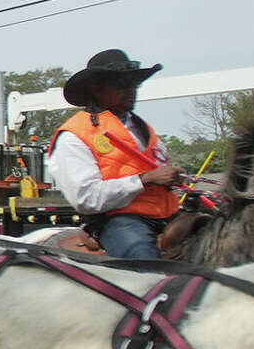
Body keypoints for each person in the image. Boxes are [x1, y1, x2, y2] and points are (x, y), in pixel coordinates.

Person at [47, 48, 184, 259]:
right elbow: (85, 198)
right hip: (121, 221)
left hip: (171, 215)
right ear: (96, 89)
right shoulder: (74, 135)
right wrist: (145, 179)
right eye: (122, 85)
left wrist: (173, 177)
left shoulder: (143, 128)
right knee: (145, 262)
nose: (131, 91)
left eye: (134, 84)